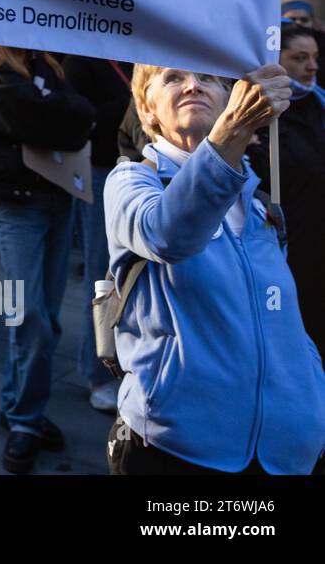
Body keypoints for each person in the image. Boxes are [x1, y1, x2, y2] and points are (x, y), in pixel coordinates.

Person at [103, 63, 325, 474]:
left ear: (227, 99)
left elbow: (283, 321)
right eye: (172, 78)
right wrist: (232, 133)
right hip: (178, 449)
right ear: (148, 110)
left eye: (208, 79)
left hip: (285, 454)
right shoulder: (132, 181)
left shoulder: (260, 204)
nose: (192, 85)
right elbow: (167, 235)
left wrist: (313, 395)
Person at [0, 45, 95, 474]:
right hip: (16, 202)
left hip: (57, 194)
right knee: (30, 317)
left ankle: (20, 407)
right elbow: (32, 118)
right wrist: (62, 113)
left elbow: (82, 118)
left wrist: (60, 113)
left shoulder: (46, 62)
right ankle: (24, 419)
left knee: (44, 316)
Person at [62, 55, 133, 413]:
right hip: (103, 174)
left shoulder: (148, 53)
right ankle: (97, 371)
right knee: (103, 274)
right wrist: (131, 102)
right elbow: (78, 121)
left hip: (143, 170)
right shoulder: (83, 59)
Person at [271, 24, 325, 352]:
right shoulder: (262, 113)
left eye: (315, 57)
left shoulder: (317, 103)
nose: (312, 66)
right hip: (287, 247)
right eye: (300, 57)